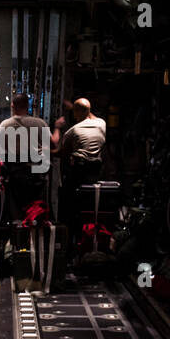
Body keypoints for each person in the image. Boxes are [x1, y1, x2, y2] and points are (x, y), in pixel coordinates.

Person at [58, 97, 107, 237]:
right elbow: (89, 114)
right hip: (95, 171)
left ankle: (70, 229)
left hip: (79, 171)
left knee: (68, 200)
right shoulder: (101, 124)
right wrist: (76, 108)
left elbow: (62, 153)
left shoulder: (73, 131)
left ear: (77, 112)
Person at [0, 93, 49, 221]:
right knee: (36, 209)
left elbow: (1, 151)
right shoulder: (40, 123)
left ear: (12, 106)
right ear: (28, 106)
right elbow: (48, 147)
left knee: (16, 211)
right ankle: (34, 234)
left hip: (16, 174)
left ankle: (18, 234)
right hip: (36, 174)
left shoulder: (5, 124)